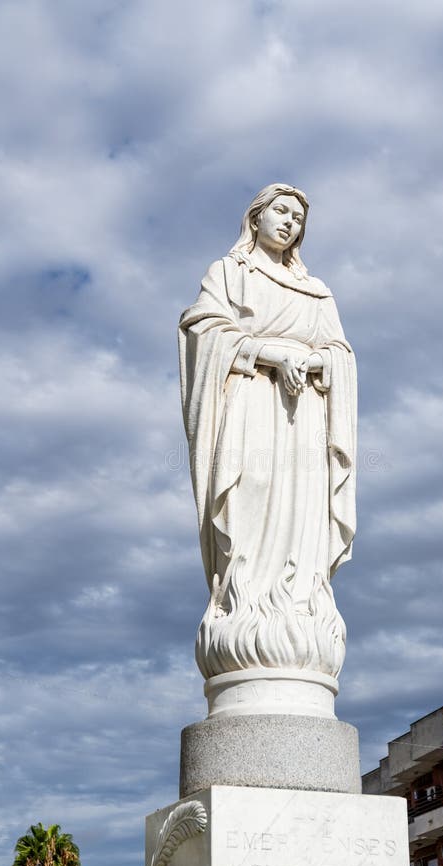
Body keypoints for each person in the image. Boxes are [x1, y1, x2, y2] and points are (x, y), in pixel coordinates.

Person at [179, 184, 356, 617]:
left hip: (307, 410)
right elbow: (202, 329)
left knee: (303, 509)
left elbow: (341, 352)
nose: (289, 222)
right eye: (281, 211)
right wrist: (269, 354)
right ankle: (243, 600)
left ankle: (301, 600)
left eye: (297, 219)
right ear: (256, 217)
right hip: (253, 397)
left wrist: (312, 360)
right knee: (251, 489)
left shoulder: (316, 290)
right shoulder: (229, 272)